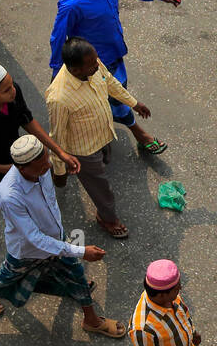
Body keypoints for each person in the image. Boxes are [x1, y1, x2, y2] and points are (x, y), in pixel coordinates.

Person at [0, 136, 124, 338]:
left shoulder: (43, 169)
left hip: (57, 239)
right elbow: (34, 239)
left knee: (75, 273)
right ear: (22, 169)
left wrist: (64, 162)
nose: (47, 167)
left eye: (47, 160)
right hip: (27, 251)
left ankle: (91, 320)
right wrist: (82, 251)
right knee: (6, 275)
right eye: (41, 166)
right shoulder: (9, 195)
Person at [48, 0, 177, 154]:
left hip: (115, 52)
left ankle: (104, 130)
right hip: (94, 64)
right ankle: (139, 134)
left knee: (113, 95)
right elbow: (58, 38)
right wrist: (57, 72)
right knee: (115, 97)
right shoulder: (72, 2)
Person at [0, 63, 78, 251]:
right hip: (1, 175)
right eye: (6, 90)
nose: (13, 91)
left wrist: (59, 152)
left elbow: (26, 120)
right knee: (24, 210)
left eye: (11, 85)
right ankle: (52, 248)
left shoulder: (13, 92)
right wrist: (9, 169)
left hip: (19, 162)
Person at [46, 36, 152, 238]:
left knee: (103, 168)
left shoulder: (92, 64)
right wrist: (59, 170)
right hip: (84, 152)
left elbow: (110, 82)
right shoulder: (58, 98)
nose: (98, 64)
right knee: (102, 190)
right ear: (76, 70)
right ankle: (107, 218)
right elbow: (56, 137)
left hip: (104, 135)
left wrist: (134, 103)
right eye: (92, 63)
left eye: (96, 60)